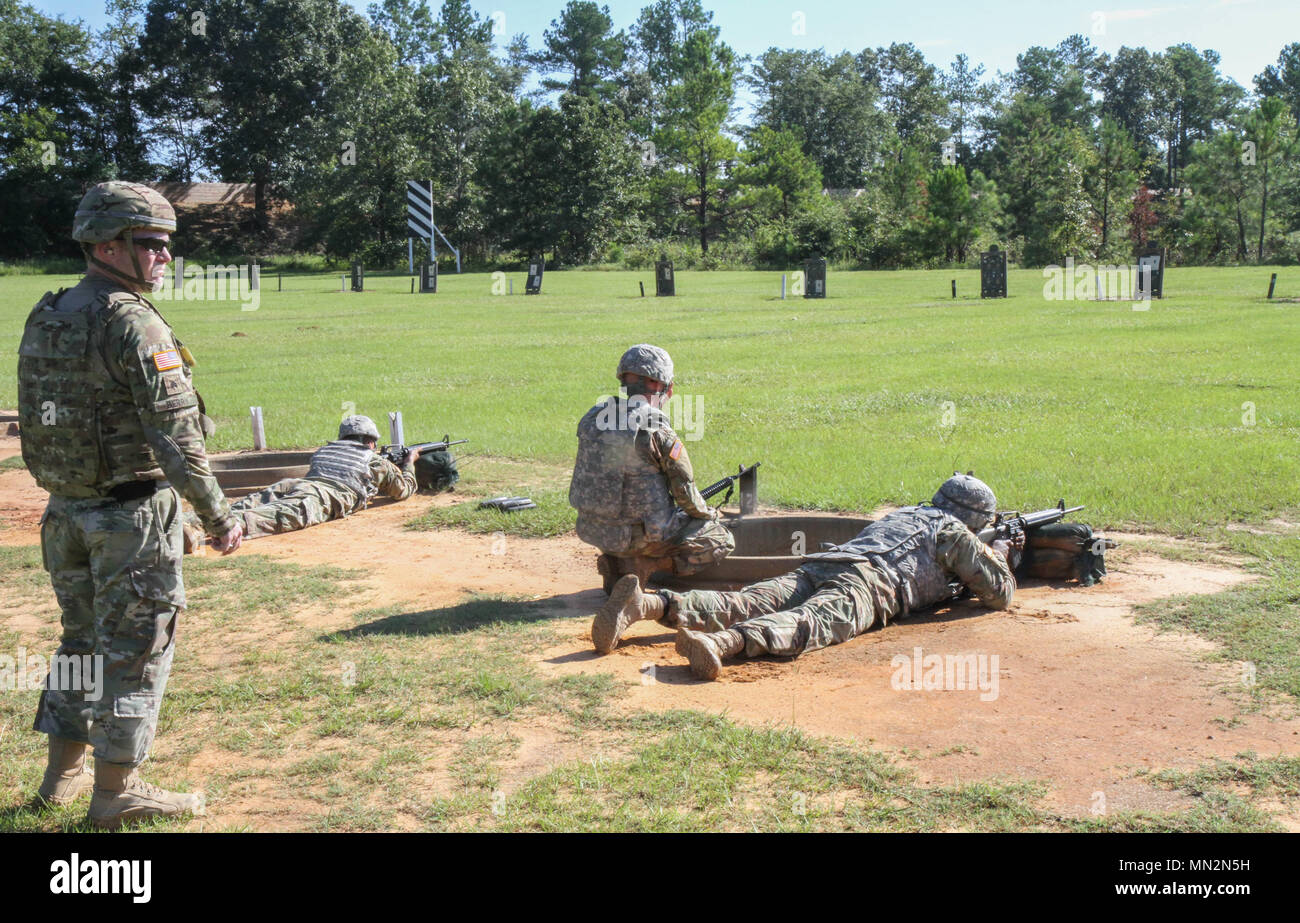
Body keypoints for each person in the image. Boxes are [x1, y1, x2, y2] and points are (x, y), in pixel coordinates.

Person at [17, 181, 243, 827]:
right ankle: (116, 791)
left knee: (81, 643)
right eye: (151, 244)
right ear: (109, 245)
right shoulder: (133, 322)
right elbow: (179, 440)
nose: (165, 257)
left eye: (169, 244)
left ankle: (60, 778)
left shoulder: (50, 312)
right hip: (130, 517)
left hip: (66, 514)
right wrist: (218, 515)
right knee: (137, 649)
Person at [591, 474, 1022, 679]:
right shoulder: (955, 532)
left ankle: (648, 604)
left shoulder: (908, 512)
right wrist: (1000, 550)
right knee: (809, 623)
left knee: (750, 599)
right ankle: (721, 643)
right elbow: (998, 593)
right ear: (973, 519)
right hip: (869, 585)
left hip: (825, 562)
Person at [569, 344, 735, 628]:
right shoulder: (655, 427)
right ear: (660, 385)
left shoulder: (593, 417)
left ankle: (616, 565)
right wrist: (707, 515)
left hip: (595, 529)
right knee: (720, 539)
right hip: (641, 536)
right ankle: (645, 567)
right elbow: (685, 492)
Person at [184, 414, 420, 547]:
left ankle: (189, 521)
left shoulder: (325, 450)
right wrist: (409, 462)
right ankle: (197, 533)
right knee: (274, 515)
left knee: (247, 502)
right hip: (323, 495)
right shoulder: (373, 460)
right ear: (371, 441)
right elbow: (402, 491)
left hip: (297, 483)